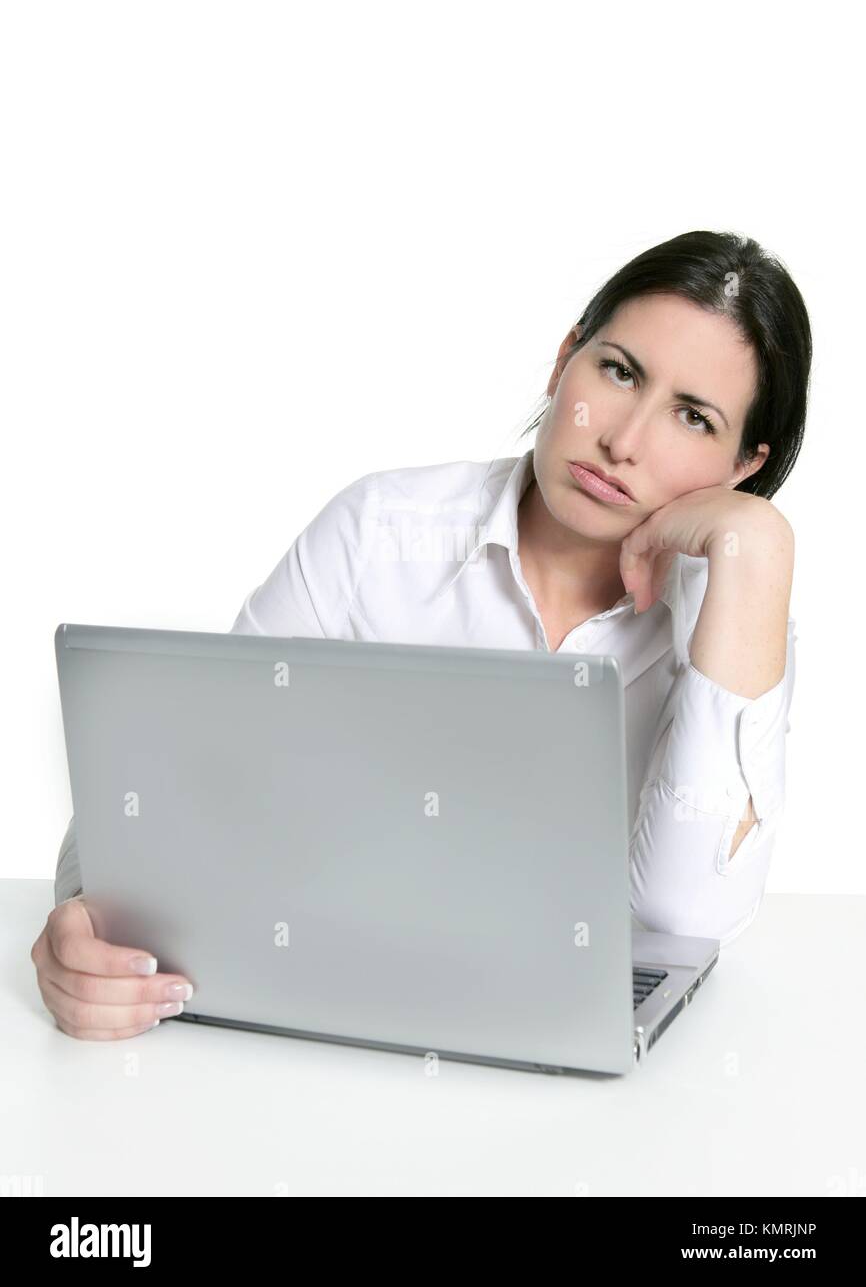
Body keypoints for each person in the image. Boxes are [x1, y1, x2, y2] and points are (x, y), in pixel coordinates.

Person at [32, 228, 811, 1039]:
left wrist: (760, 549)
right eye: (618, 372)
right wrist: (87, 923)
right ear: (564, 359)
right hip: (328, 1014)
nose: (624, 442)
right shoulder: (379, 537)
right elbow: (181, 785)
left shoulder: (732, 615)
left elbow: (685, 916)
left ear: (743, 467)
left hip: (583, 1075)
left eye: (693, 417)